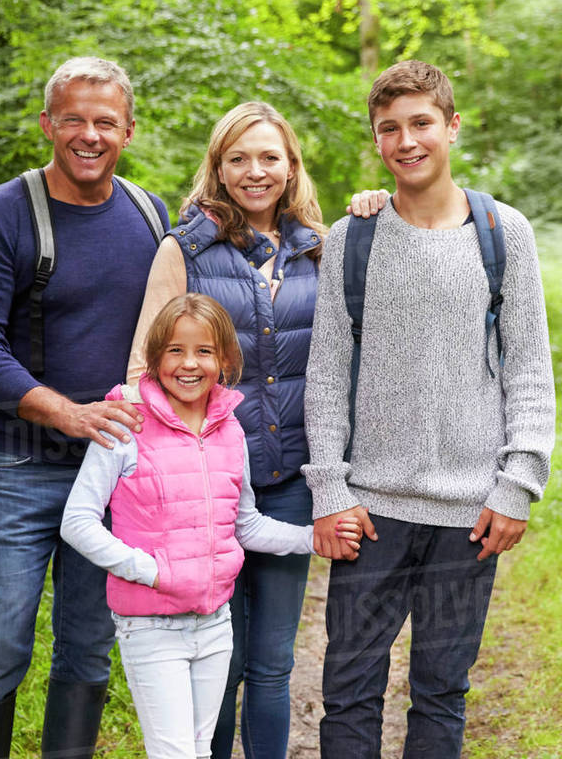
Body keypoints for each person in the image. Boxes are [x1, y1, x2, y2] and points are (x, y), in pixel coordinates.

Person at [303, 59, 557, 758]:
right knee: (349, 692)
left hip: (468, 514)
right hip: (370, 513)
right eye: (390, 128)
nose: (406, 140)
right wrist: (328, 489)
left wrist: (518, 484)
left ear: (451, 126)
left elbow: (529, 368)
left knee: (441, 693)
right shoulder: (350, 239)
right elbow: (325, 373)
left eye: (421, 124)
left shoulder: (504, 233)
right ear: (377, 140)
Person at [125, 101, 385, 759]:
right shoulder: (183, 250)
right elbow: (141, 371)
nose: (255, 171)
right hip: (206, 487)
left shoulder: (322, 250)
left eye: (270, 157)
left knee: (270, 663)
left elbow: (371, 331)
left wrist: (386, 210)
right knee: (219, 662)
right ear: (217, 167)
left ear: (291, 166)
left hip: (290, 480)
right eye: (238, 158)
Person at [0, 56, 167, 759]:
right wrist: (66, 413)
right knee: (2, 643)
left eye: (105, 121)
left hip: (110, 476)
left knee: (87, 648)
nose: (89, 135)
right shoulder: (3, 216)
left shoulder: (147, 214)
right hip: (19, 465)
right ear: (48, 124)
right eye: (74, 119)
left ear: (128, 130)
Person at [61, 293, 361, 759]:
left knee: (200, 752)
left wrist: (311, 538)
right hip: (150, 624)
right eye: (175, 350)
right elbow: (77, 522)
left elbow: (245, 525)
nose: (189, 364)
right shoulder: (125, 423)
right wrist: (150, 571)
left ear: (224, 360)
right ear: (156, 356)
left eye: (204, 351)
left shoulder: (230, 429)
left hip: (215, 624)